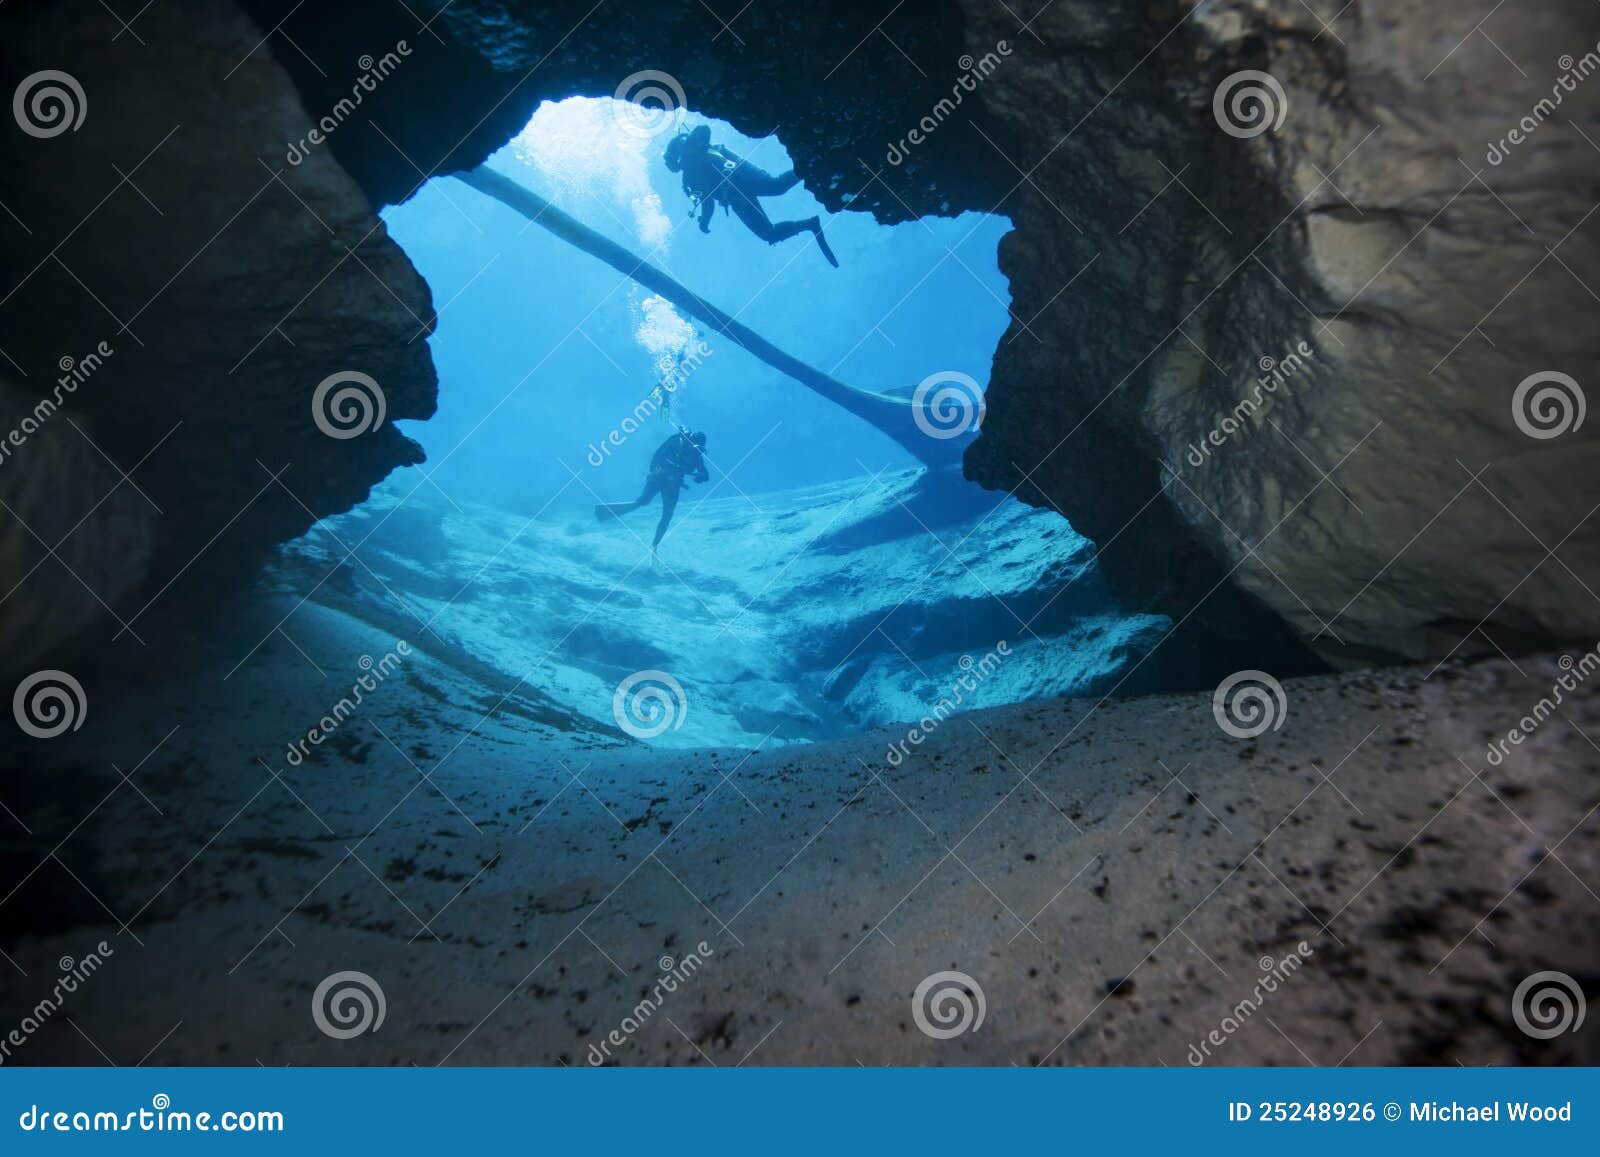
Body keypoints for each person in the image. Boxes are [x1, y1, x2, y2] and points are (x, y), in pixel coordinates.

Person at [664, 126, 839, 267]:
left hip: (740, 174)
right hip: (734, 197)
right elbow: (706, 203)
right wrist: (704, 221)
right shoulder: (689, 179)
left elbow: (704, 129)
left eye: (671, 160)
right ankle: (810, 224)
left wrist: (693, 144)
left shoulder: (695, 147)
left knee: (776, 186)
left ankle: (810, 165)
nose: (673, 165)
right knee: (768, 234)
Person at [595, 429, 710, 555]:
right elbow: (659, 455)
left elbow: (704, 472)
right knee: (643, 501)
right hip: (658, 477)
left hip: (674, 484)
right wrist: (657, 472)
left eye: (698, 449)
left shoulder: (696, 456)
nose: (695, 450)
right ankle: (608, 513)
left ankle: (654, 546)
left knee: (668, 515)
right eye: (694, 446)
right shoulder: (677, 442)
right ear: (690, 440)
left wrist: (702, 476)